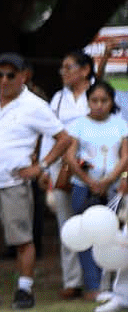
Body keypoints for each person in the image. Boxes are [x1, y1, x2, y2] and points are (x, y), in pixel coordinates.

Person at [0, 52, 72, 311]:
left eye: (11, 75)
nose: (5, 80)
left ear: (24, 76)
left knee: (21, 238)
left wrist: (40, 166)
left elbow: (64, 138)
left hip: (13, 182)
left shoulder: (34, 105)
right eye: (0, 74)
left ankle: (24, 290)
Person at [63, 81, 128, 303]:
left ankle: (113, 285)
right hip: (84, 187)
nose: (99, 105)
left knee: (114, 236)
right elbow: (70, 157)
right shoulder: (78, 125)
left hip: (113, 187)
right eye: (94, 100)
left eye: (104, 101)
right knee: (87, 234)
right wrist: (89, 180)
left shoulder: (120, 124)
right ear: (88, 102)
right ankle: (92, 285)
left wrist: (111, 179)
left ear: (112, 102)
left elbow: (125, 156)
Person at [46, 51, 94, 298]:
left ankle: (98, 281)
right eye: (62, 68)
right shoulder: (58, 99)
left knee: (96, 220)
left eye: (69, 67)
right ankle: (72, 280)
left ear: (85, 70)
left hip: (95, 168)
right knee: (67, 224)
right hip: (62, 168)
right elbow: (49, 133)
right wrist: (46, 167)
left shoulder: (99, 94)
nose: (64, 72)